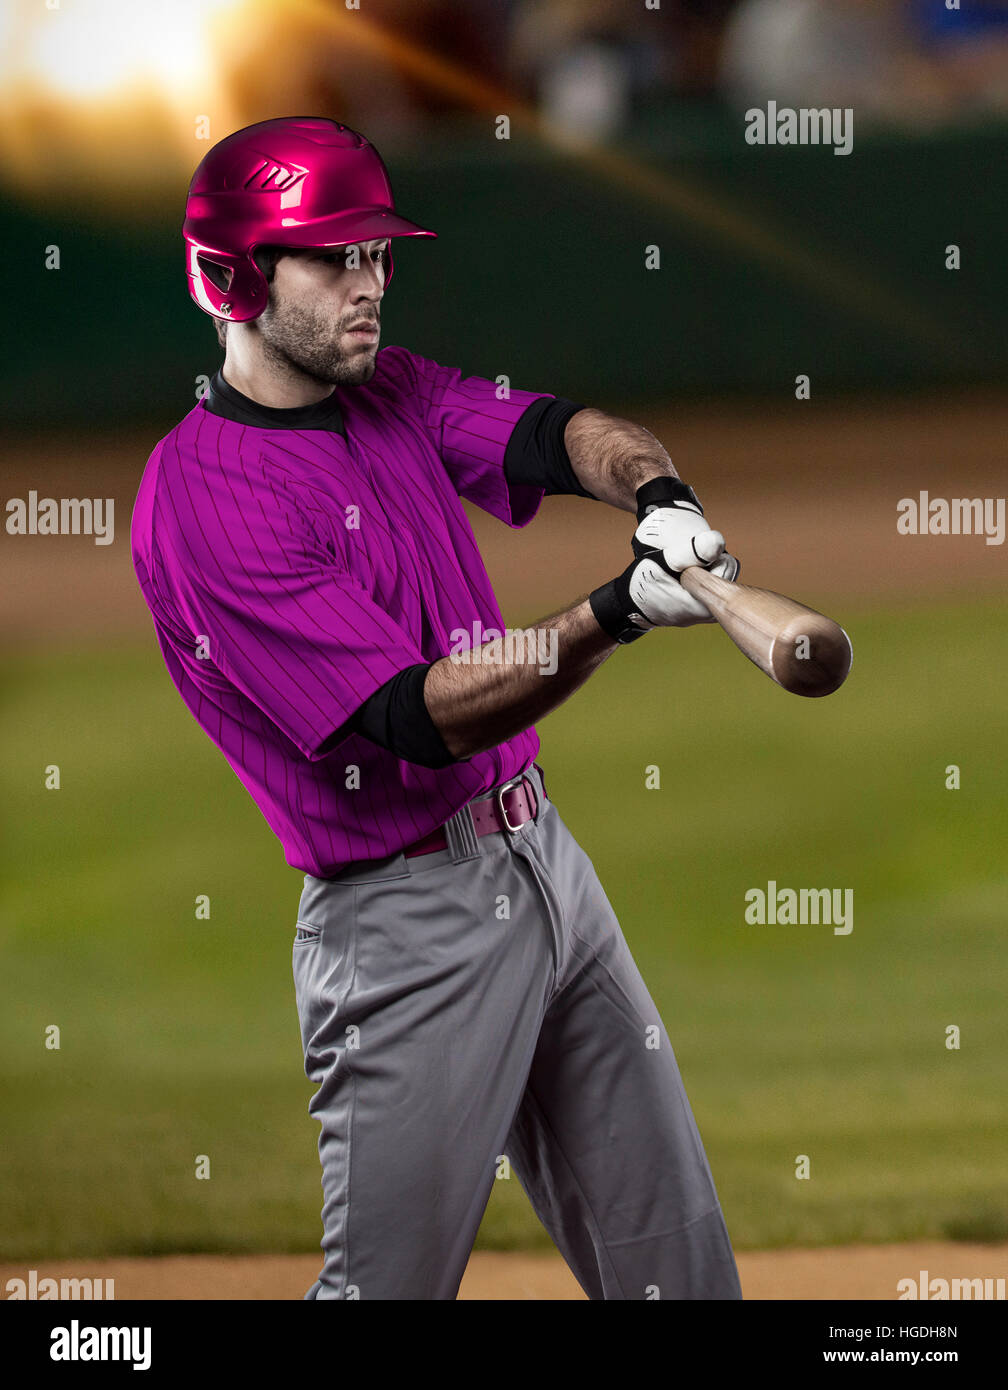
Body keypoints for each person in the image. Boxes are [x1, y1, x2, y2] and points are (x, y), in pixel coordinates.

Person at [130, 116, 744, 1301]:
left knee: (678, 1274)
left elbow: (556, 433)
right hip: (404, 934)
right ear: (237, 274)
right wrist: (616, 609)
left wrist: (659, 492)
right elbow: (421, 717)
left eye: (378, 256)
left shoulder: (395, 392)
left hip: (547, 866)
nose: (371, 286)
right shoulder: (206, 502)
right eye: (334, 258)